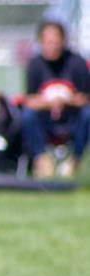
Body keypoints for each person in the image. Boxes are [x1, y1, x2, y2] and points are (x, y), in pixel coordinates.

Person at [19, 19, 90, 178]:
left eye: (56, 42)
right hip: (46, 120)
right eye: (48, 42)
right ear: (41, 42)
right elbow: (30, 100)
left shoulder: (77, 63)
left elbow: (86, 98)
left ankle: (75, 159)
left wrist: (66, 101)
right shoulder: (35, 65)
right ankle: (41, 159)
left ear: (63, 41)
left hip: (71, 119)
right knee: (27, 115)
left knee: (87, 114)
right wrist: (49, 103)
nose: (52, 46)